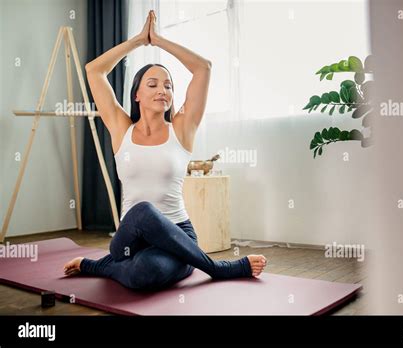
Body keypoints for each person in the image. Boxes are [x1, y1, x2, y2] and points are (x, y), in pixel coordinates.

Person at [63, 10, 266, 290]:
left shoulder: (182, 128)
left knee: (144, 274)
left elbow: (203, 68)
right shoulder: (121, 128)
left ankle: (103, 267)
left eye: (168, 85)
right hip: (130, 237)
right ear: (137, 94)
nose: (163, 90)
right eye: (153, 84)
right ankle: (217, 268)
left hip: (178, 235)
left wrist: (158, 40)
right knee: (143, 211)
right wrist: (137, 41)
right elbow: (93, 70)